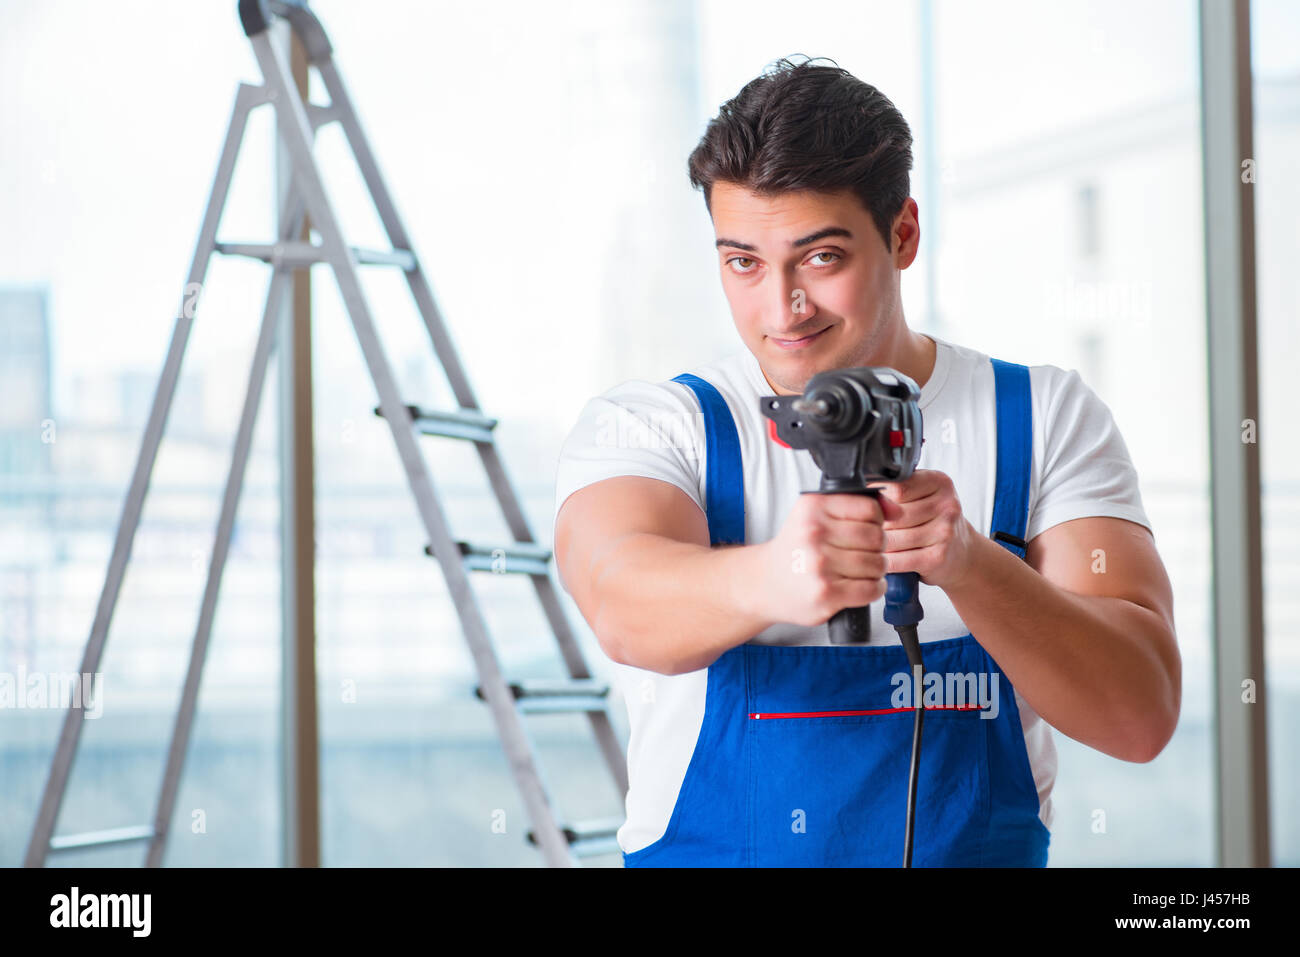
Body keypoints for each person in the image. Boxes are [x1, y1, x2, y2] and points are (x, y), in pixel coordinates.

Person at [551, 56, 1180, 867]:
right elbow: (619, 601)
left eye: (821, 257)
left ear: (903, 234)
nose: (782, 308)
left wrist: (971, 564)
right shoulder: (657, 426)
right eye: (743, 262)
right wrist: (774, 576)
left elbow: (1139, 713)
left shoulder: (1042, 417)